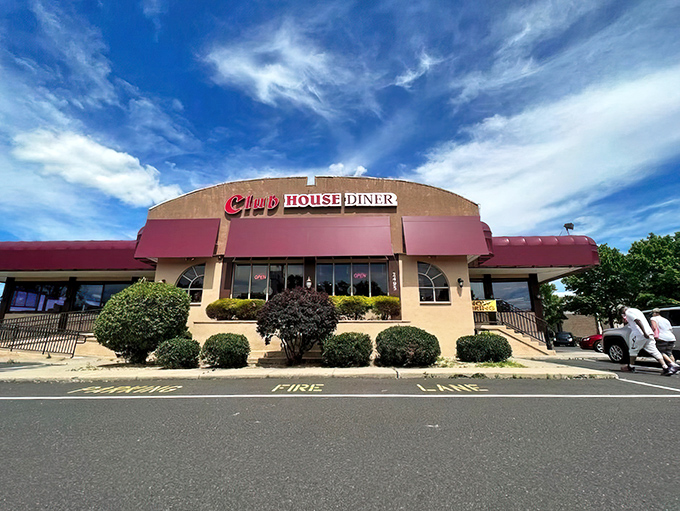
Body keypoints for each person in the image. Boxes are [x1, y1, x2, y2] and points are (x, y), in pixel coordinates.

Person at [617, 304, 678, 375]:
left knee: (633, 351)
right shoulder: (637, 311)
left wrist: (644, 332)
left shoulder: (628, 312)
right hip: (649, 334)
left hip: (639, 334)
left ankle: (631, 366)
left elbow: (637, 320)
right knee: (654, 351)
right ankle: (665, 367)